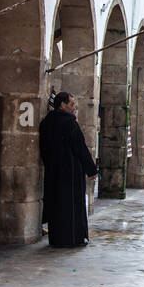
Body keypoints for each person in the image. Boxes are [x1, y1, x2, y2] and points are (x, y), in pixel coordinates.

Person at [39, 91, 98, 248]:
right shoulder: (69, 123)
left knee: (56, 204)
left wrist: (50, 164)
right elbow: (80, 148)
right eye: (71, 104)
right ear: (62, 104)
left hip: (54, 171)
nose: (73, 107)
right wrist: (91, 170)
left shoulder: (46, 123)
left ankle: (57, 238)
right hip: (70, 172)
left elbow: (43, 149)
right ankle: (73, 238)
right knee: (72, 205)